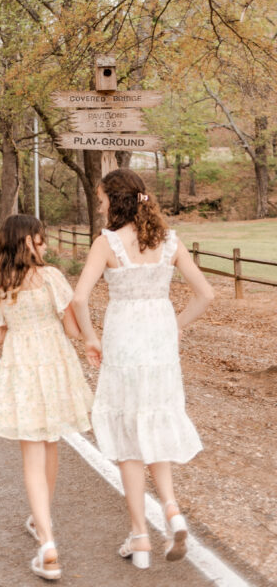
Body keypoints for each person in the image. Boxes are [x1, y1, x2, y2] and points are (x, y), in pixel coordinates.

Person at [73, 169, 214, 570]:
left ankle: (139, 535)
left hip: (123, 344)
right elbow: (206, 293)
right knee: (153, 423)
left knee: (128, 437)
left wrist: (90, 338)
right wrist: (175, 325)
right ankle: (171, 512)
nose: (99, 205)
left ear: (115, 202)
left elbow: (80, 298)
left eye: (101, 199)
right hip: (160, 345)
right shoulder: (169, 240)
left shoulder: (107, 243)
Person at [0, 214, 92, 582]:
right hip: (55, 364)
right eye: (40, 240)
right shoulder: (54, 277)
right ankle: (41, 523)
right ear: (28, 242)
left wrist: (14, 318)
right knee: (51, 441)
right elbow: (73, 329)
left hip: (22, 367)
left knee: (32, 456)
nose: (45, 246)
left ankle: (47, 542)